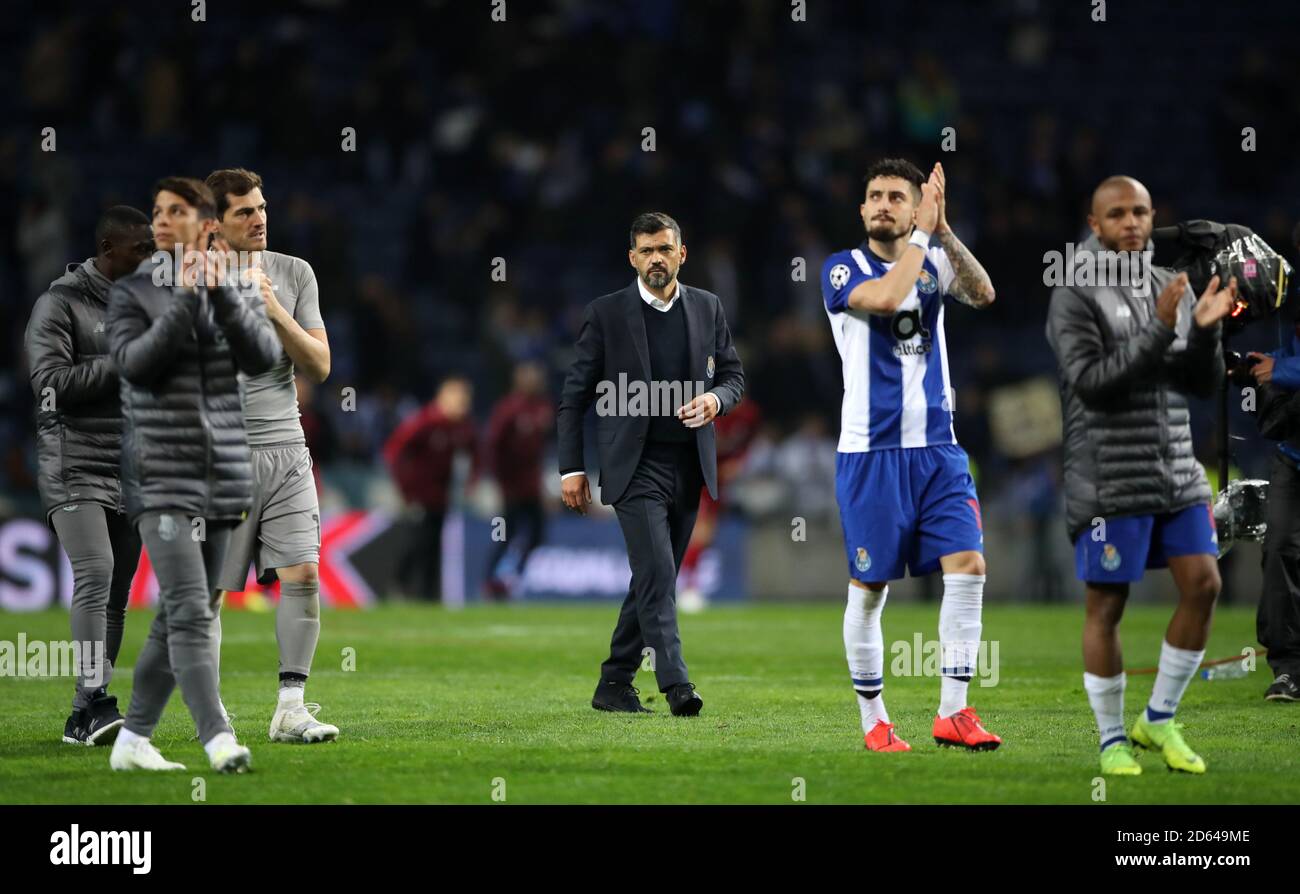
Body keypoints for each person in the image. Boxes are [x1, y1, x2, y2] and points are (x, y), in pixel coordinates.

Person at [1046, 175, 1236, 775]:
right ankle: (1110, 741)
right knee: (1107, 604)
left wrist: (1205, 331)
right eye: (1118, 214)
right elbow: (1093, 384)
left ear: (1154, 219)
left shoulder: (1165, 285)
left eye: (1141, 212)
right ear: (1095, 223)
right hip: (1109, 477)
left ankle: (1157, 720)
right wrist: (1160, 329)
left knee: (1204, 584)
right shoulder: (1074, 291)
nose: (1132, 223)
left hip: (1175, 467)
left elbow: (1199, 385)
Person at [820, 158, 1000, 754]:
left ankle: (954, 712)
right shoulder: (841, 269)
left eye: (898, 196)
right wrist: (923, 234)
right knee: (870, 592)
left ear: (915, 204)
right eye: (874, 195)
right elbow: (891, 295)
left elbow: (984, 293)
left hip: (939, 450)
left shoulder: (935, 257)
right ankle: (874, 720)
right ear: (862, 209)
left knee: (969, 567)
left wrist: (943, 230)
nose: (884, 205)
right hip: (870, 454)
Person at [106, 176, 280, 772]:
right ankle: (218, 738)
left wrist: (222, 296)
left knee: (188, 612)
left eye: (175, 211)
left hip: (223, 475)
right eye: (157, 211)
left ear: (205, 224)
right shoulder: (132, 292)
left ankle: (132, 741)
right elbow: (136, 366)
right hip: (161, 475)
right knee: (185, 605)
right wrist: (185, 297)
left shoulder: (232, 286)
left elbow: (264, 357)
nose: (160, 221)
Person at [557, 211, 744, 716]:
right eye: (645, 250)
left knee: (653, 580)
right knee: (659, 572)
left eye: (664, 249)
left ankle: (614, 682)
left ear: (682, 253)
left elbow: (733, 375)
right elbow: (573, 397)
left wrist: (716, 402)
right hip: (633, 467)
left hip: (689, 463)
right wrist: (571, 468)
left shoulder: (708, 307)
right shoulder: (607, 313)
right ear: (632, 258)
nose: (655, 259)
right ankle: (676, 684)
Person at [206, 168, 339, 744]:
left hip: (287, 447)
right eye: (243, 212)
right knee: (207, 594)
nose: (259, 218)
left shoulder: (293, 273)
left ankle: (291, 707)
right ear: (215, 225)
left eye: (261, 207)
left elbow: (319, 366)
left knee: (305, 574)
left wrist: (273, 309)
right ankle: (210, 714)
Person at [24, 205, 153, 746]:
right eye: (141, 249)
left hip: (129, 464)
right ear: (107, 251)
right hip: (72, 459)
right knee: (95, 572)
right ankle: (97, 697)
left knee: (118, 592)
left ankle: (84, 714)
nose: (152, 258)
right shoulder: (59, 302)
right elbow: (48, 384)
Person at [1247, 232, 1300, 701]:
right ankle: (1288, 669)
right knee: (1279, 549)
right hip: (1294, 451)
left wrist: (1282, 372)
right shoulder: (1293, 290)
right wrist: (1268, 362)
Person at [384, 376, 477, 601]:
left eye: (465, 401)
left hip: (441, 497)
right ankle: (399, 586)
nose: (462, 405)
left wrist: (471, 482)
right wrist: (406, 489)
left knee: (435, 546)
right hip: (418, 496)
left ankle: (428, 595)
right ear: (443, 398)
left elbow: (476, 452)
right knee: (417, 542)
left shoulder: (460, 428)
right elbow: (393, 452)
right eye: (458, 399)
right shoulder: (424, 422)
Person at [481, 361, 553, 600]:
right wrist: (499, 481)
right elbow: (493, 446)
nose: (536, 381)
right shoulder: (507, 409)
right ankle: (489, 581)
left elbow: (542, 448)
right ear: (519, 380)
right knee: (502, 534)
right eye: (530, 377)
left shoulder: (543, 408)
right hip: (509, 487)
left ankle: (514, 575)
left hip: (532, 487)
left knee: (538, 534)